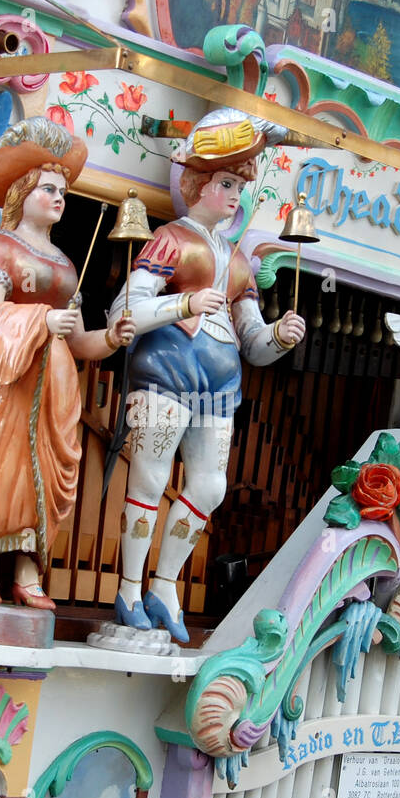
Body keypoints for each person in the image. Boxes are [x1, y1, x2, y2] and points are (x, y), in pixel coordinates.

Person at [106, 109, 307, 641]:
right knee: (149, 475)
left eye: (241, 184)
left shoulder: (239, 261)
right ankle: (128, 586)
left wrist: (280, 339)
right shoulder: (172, 239)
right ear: (196, 184)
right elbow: (123, 313)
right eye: (226, 182)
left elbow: (253, 342)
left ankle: (165, 583)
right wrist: (186, 302)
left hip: (219, 384)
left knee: (211, 485)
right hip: (168, 370)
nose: (236, 193)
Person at [0, 117, 135, 610]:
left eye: (63, 190)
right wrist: (39, 320)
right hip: (8, 377)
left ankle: (28, 571)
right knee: (0, 465)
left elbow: (77, 341)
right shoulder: (1, 247)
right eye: (48, 188)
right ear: (22, 191)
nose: (60, 197)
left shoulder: (63, 262)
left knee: (47, 469)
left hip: (55, 385)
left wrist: (111, 338)